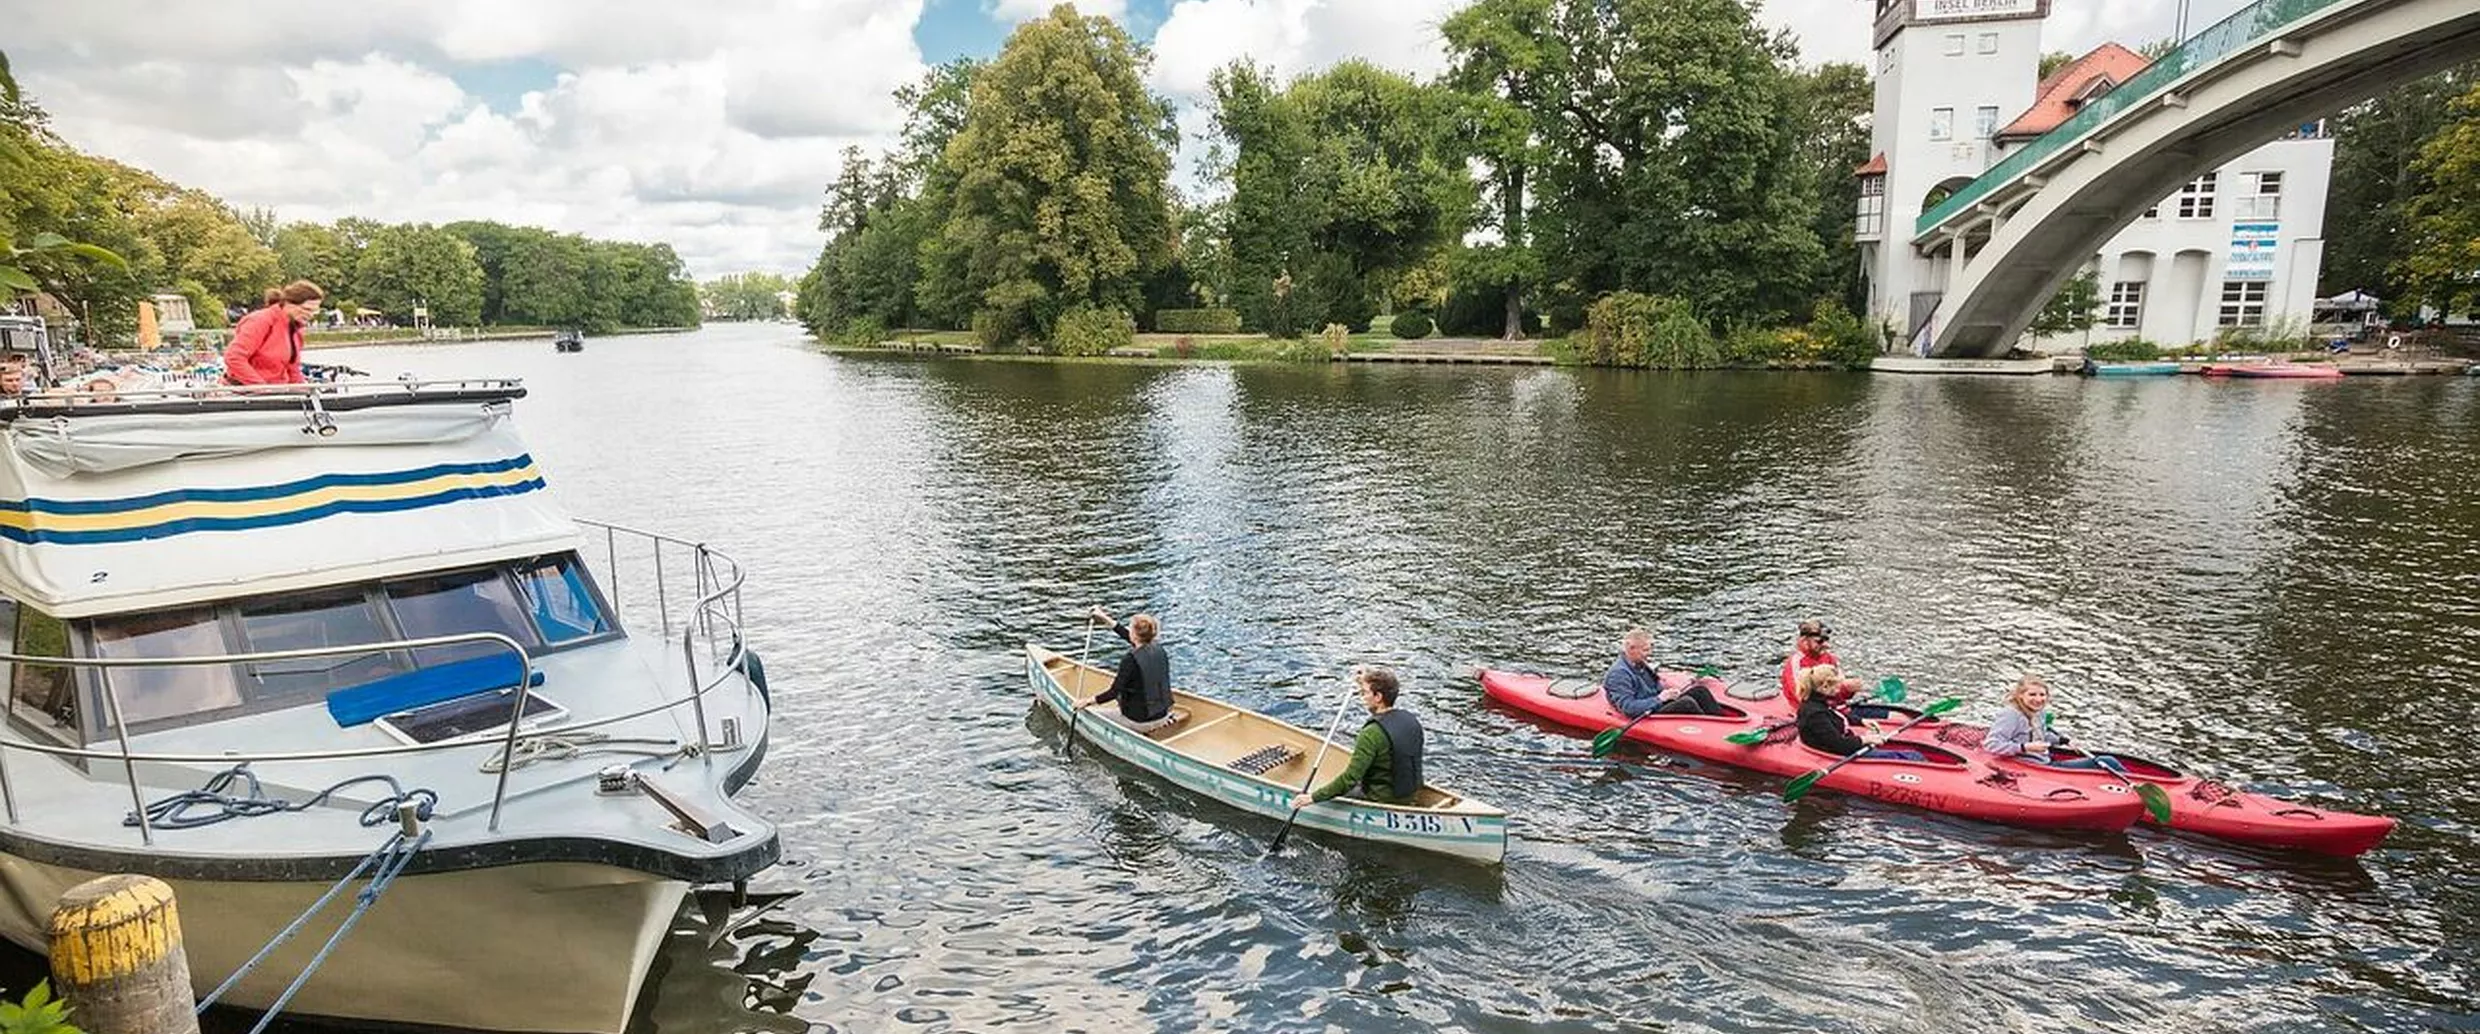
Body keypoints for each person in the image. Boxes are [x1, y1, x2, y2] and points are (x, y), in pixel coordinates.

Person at [1292, 666, 1424, 809]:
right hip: (1409, 792)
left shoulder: (1371, 733)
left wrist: (1313, 797)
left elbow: (1350, 779)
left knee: (1337, 791)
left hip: (1382, 798)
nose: (1362, 698)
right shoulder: (1410, 720)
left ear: (1378, 697)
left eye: (1365, 693)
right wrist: (1364, 680)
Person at [1793, 663, 1923, 762]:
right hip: (1837, 754)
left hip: (1841, 747)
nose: (1839, 689)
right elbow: (1838, 744)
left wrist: (1861, 721)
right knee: (1914, 757)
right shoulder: (1815, 713)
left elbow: (1836, 716)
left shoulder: (1819, 704)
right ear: (1825, 687)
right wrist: (1865, 739)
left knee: (1915, 753)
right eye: (1837, 686)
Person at [1086, 606, 1176, 732]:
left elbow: (1114, 692)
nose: (1128, 631)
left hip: (1140, 721)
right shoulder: (1158, 648)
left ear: (1134, 634)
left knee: (1089, 712)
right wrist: (1104, 617)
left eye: (1130, 628)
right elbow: (1129, 636)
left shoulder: (1130, 660)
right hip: (1164, 713)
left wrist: (1086, 702)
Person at [1982, 676, 2101, 768]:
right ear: (2020, 696)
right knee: (2107, 761)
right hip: (2033, 766)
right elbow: (1992, 744)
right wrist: (2024, 747)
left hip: (2044, 758)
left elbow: (2042, 735)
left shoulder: (2039, 712)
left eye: (2042, 695)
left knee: (2106, 759)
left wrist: (2064, 741)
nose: (2038, 699)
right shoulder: (2011, 715)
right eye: (2032, 694)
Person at [1603, 627, 1722, 717]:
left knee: (1700, 691)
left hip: (1654, 702)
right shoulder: (1618, 674)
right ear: (1631, 648)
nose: (1649, 653)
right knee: (1687, 703)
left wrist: (1668, 692)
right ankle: (1708, 730)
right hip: (1646, 711)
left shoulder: (1640, 663)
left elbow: (1655, 686)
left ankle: (1721, 721)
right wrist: (1660, 699)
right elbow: (1628, 708)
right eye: (1645, 650)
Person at [223, 280, 323, 386]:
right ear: (289, 303)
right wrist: (262, 388)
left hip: (276, 390)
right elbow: (234, 357)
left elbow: (292, 369)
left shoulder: (295, 329)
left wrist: (304, 391)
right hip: (246, 391)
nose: (311, 315)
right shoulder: (260, 320)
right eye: (307, 309)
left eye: (314, 311)